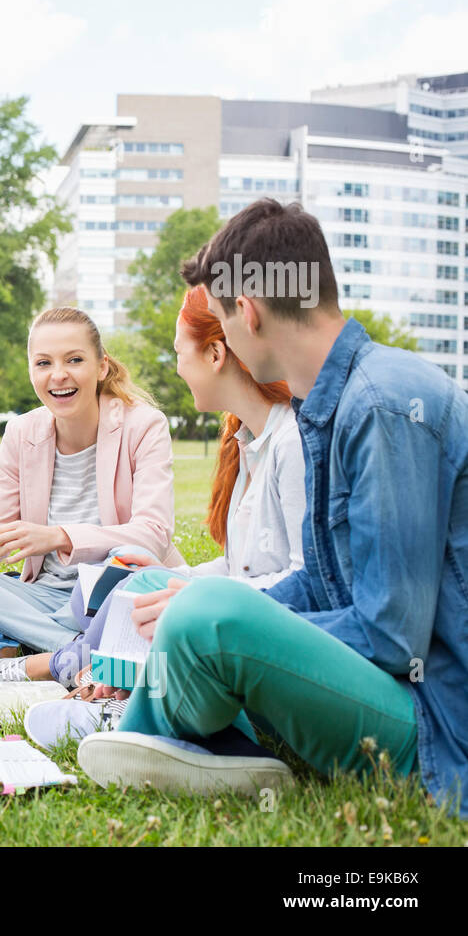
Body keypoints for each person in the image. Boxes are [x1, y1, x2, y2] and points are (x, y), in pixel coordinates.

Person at [76, 199, 468, 817]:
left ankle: (165, 738)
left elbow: (392, 638)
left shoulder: (385, 406)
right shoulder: (331, 407)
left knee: (209, 610)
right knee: (193, 603)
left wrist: (230, 618)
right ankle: (184, 739)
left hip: (433, 729)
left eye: (222, 317)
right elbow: (321, 580)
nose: (224, 336)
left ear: (248, 314)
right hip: (390, 698)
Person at [20, 284, 306, 742]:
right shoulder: (248, 445)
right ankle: (111, 686)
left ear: (214, 354)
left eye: (179, 352)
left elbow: (309, 584)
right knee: (141, 578)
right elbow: (239, 568)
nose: (176, 368)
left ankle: (132, 705)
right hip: (242, 621)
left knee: (164, 597)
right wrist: (177, 578)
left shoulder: (292, 444)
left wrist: (191, 597)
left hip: (278, 641)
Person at [0, 306, 183, 658]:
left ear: (101, 366)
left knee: (129, 558)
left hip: (113, 593)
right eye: (43, 363)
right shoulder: (21, 432)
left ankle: (46, 641)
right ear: (30, 371)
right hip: (41, 599)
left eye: (74, 360)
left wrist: (58, 537)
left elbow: (153, 534)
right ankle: (67, 647)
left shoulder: (144, 425)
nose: (58, 376)